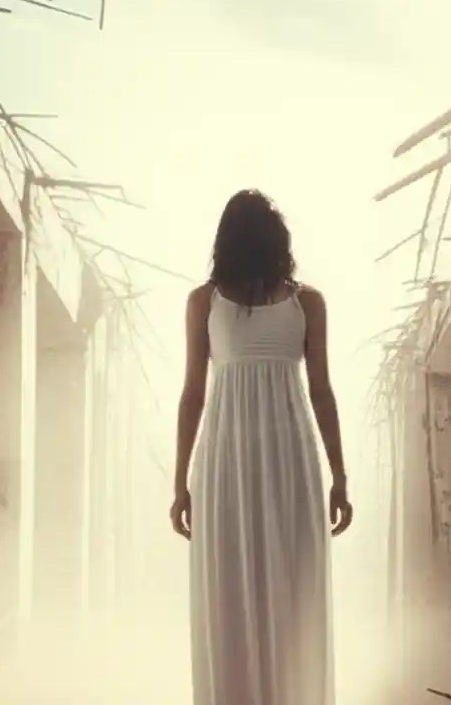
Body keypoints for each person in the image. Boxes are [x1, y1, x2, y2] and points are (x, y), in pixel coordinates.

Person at [171, 189, 353, 705]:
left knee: (252, 590)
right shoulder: (208, 303)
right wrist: (339, 476)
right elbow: (320, 394)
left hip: (239, 458)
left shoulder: (303, 303)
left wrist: (180, 483)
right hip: (273, 454)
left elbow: (192, 397)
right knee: (274, 590)